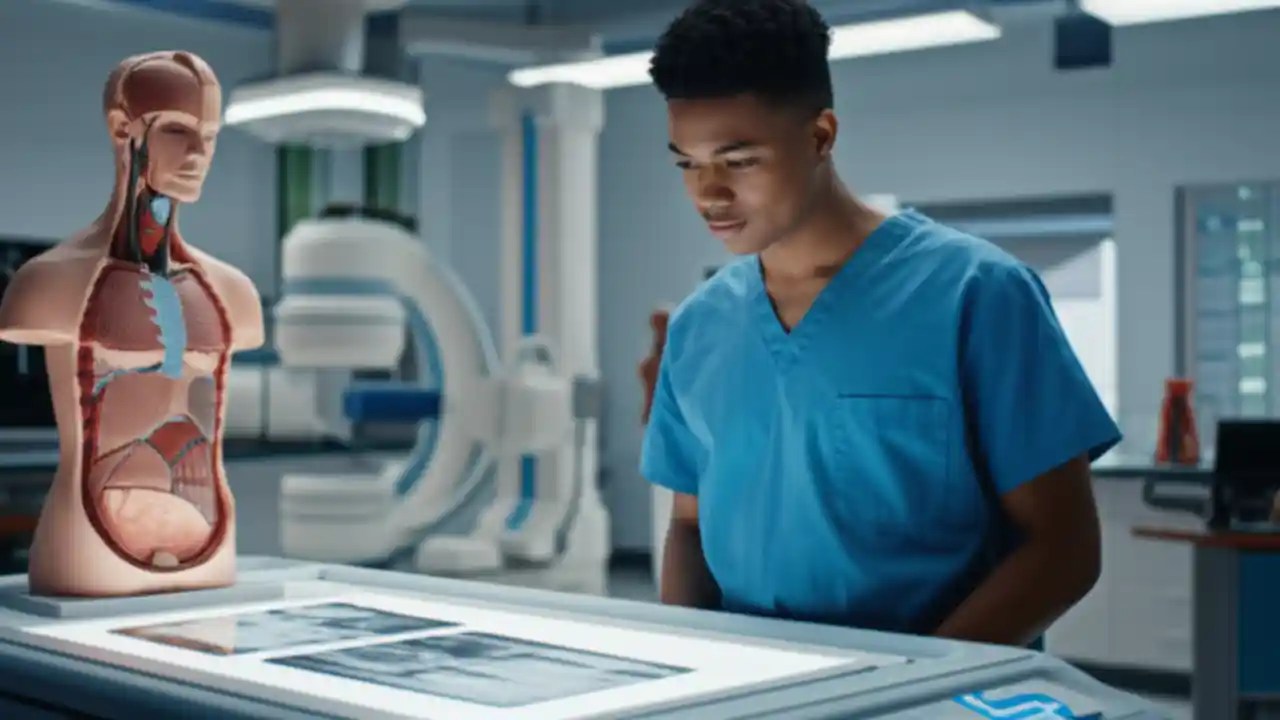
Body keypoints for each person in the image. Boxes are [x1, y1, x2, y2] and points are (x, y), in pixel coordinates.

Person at [639, 0, 1122, 648]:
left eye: (740, 160)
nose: (708, 193)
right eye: (687, 163)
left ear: (820, 136)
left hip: (932, 690)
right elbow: (690, 525)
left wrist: (914, 683)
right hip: (758, 683)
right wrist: (697, 665)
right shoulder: (700, 327)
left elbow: (1063, 548)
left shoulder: (977, 295)